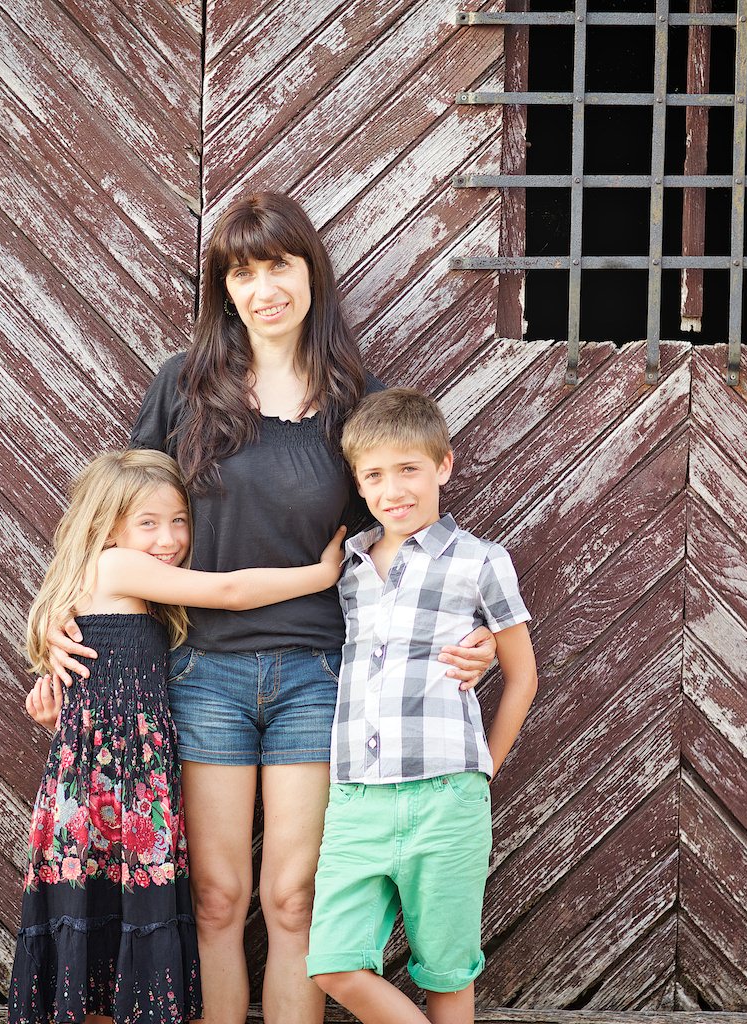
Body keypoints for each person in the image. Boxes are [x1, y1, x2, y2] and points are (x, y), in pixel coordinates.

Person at [38, 192, 498, 1024]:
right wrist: (57, 630)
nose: (264, 288)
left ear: (310, 271)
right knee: (217, 898)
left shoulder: (358, 396)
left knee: (293, 902)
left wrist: (481, 639)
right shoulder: (184, 386)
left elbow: (406, 540)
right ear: (225, 287)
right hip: (200, 669)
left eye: (278, 265)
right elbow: (116, 516)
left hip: (318, 674)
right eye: (242, 272)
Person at [10, 448, 346, 1024]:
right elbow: (231, 593)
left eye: (179, 521)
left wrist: (57, 714)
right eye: (149, 523)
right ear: (105, 527)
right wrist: (321, 575)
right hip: (110, 784)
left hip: (130, 776)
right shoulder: (117, 567)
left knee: (110, 916)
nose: (169, 538)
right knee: (101, 913)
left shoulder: (143, 591)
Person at [307, 389, 539, 1024]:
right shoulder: (348, 568)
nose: (392, 490)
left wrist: (483, 769)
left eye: (408, 469)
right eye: (374, 476)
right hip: (357, 796)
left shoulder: (480, 562)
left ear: (444, 465)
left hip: (448, 792)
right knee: (332, 962)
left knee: (445, 968)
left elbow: (522, 677)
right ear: (358, 484)